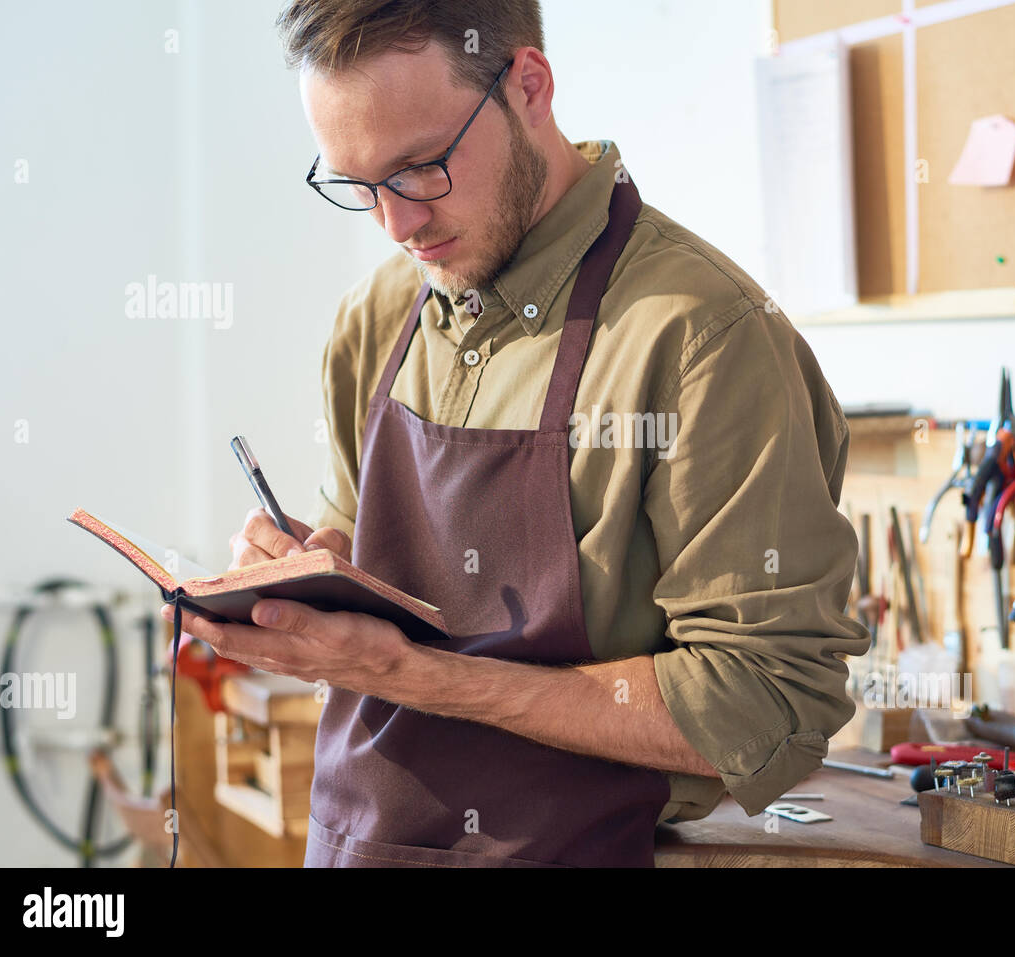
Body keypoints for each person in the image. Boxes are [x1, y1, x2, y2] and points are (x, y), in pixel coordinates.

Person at [166, 0, 871, 867]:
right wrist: (304, 583)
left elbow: (768, 702)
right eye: (358, 186)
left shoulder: (699, 340)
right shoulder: (378, 318)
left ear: (528, 86)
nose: (397, 224)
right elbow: (358, 544)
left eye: (421, 168)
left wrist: (414, 676)